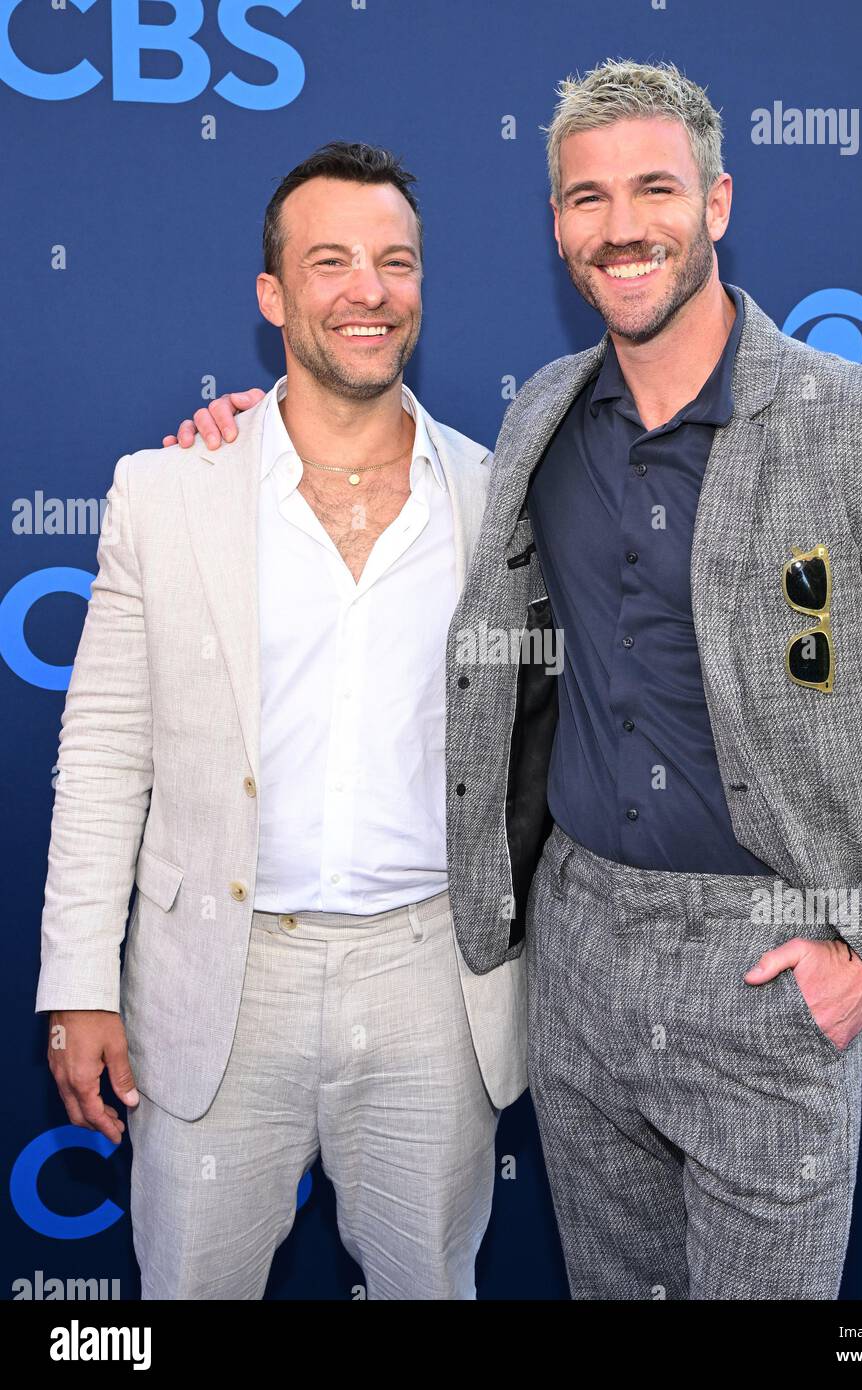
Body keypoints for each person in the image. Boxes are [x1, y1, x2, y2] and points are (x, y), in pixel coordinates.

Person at [183, 60, 862, 1301]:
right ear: (557, 227)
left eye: (653, 189)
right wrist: (245, 436)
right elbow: (369, 443)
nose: (619, 226)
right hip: (574, 958)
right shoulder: (541, 422)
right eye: (584, 198)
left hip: (770, 963)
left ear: (718, 203)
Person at [36, 140, 526, 1300]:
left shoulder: (494, 492)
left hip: (430, 987)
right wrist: (78, 984)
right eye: (331, 262)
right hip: (217, 982)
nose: (368, 289)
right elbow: (103, 756)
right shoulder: (165, 493)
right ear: (273, 296)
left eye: (394, 262)